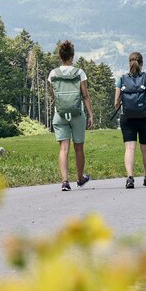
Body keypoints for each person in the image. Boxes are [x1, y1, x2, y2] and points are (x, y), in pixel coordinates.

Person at [48, 40, 95, 191]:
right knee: (79, 148)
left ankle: (64, 181)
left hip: (60, 114)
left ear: (60, 56)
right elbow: (85, 96)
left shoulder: (53, 73)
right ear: (72, 56)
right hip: (77, 113)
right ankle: (80, 179)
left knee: (63, 149)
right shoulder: (79, 73)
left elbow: (53, 95)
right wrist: (90, 115)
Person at [114, 51, 146, 189]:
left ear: (129, 63)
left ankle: (130, 178)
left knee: (129, 148)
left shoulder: (122, 79)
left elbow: (116, 103)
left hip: (127, 118)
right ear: (142, 63)